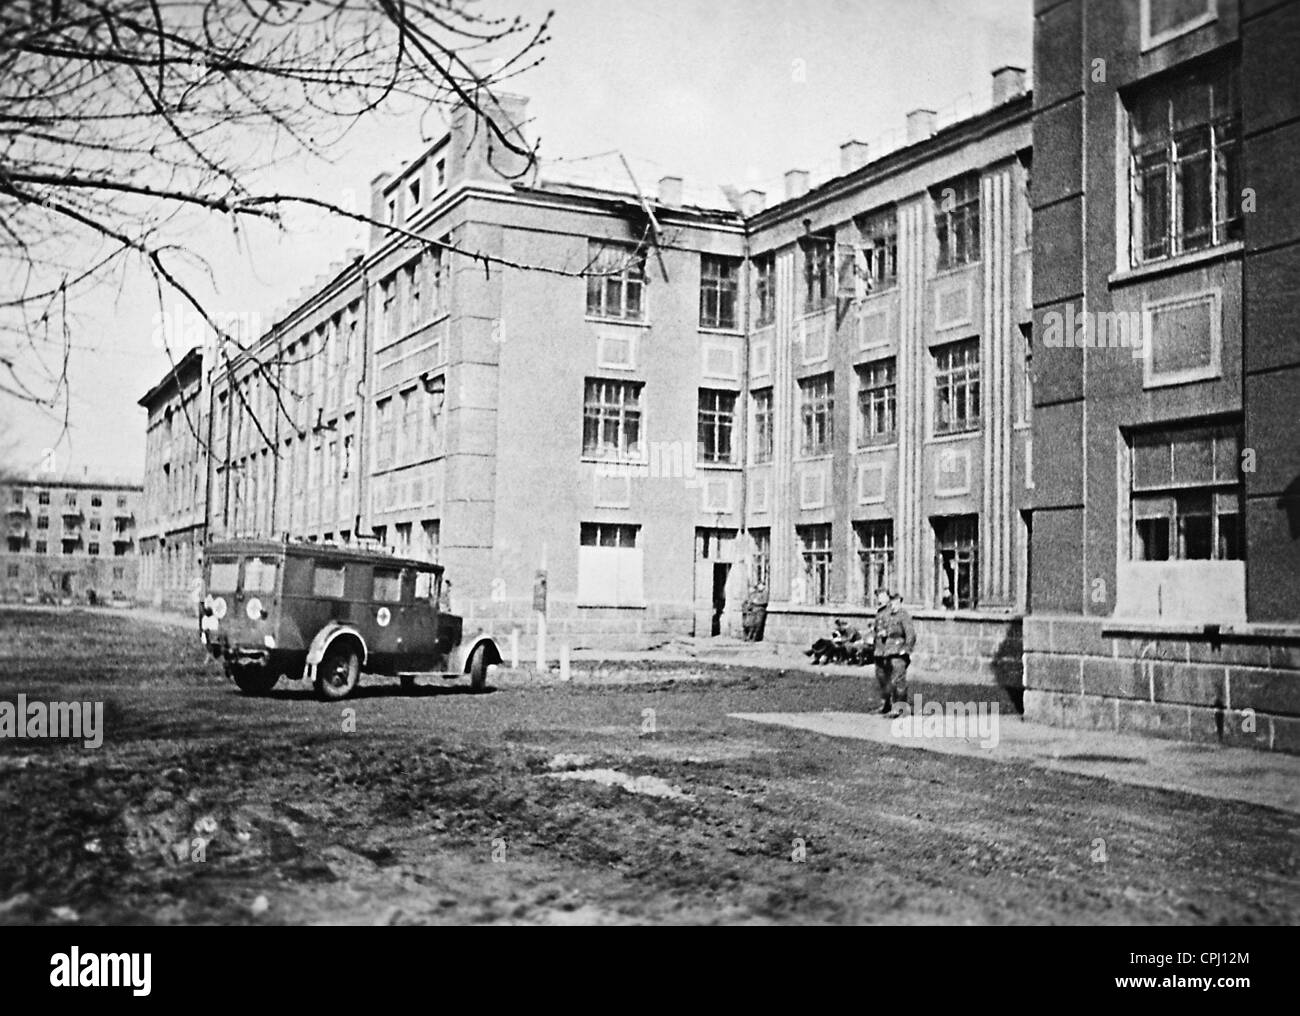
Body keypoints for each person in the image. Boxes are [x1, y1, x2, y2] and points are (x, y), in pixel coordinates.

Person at [873, 589, 916, 717]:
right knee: (884, 679)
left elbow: (910, 634)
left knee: (898, 680)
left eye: (896, 602)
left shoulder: (903, 615)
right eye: (892, 602)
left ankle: (900, 708)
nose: (893, 605)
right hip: (884, 652)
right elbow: (880, 630)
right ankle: (886, 704)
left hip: (898, 652)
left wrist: (906, 649)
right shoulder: (885, 613)